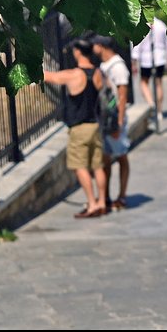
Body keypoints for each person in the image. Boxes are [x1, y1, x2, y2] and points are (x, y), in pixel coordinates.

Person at [44, 39, 107, 219]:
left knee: (79, 167)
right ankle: (102, 202)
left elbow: (50, 77)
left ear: (78, 52)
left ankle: (92, 204)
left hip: (79, 128)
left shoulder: (74, 75)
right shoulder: (97, 73)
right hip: (95, 124)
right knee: (98, 166)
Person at [92, 36, 131, 211]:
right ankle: (105, 196)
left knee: (121, 156)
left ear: (101, 46)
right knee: (106, 158)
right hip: (106, 118)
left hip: (115, 118)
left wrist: (119, 122)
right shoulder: (104, 65)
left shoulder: (118, 67)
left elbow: (122, 95)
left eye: (95, 45)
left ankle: (121, 196)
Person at [131, 18, 167, 121]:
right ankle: (159, 111)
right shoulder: (161, 24)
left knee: (143, 82)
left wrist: (134, 62)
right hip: (160, 58)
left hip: (146, 59)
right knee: (158, 83)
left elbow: (137, 45)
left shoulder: (141, 26)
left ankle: (151, 104)